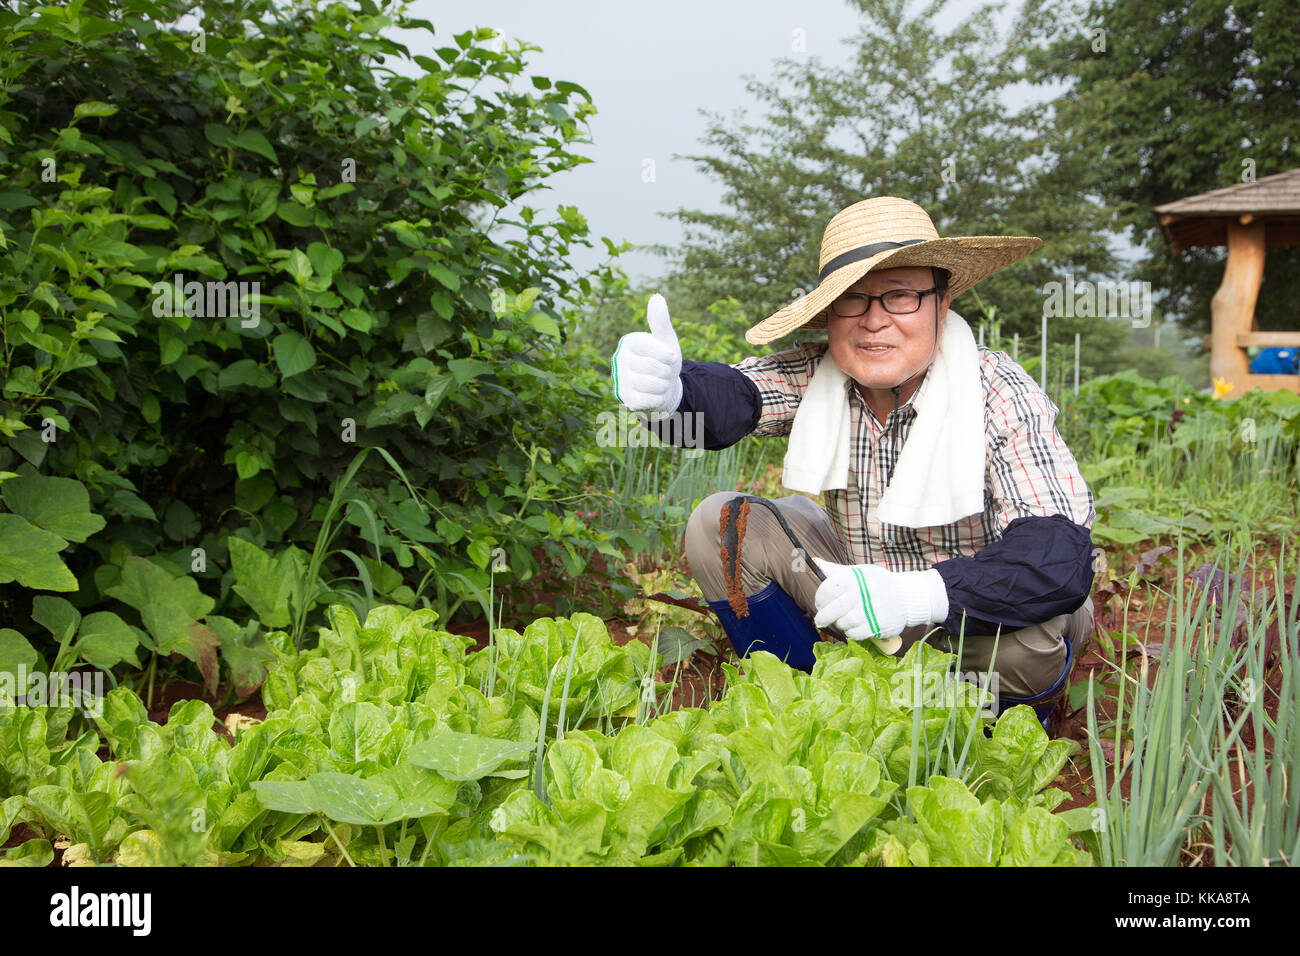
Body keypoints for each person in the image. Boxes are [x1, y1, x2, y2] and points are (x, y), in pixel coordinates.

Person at [609, 196, 1096, 730]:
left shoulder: (996, 390)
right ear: (829, 313)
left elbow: (1057, 554)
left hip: (971, 614)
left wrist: (918, 594)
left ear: (942, 299)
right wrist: (672, 394)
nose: (874, 321)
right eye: (853, 300)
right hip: (861, 594)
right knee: (720, 524)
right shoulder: (822, 377)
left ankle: (998, 736)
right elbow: (739, 398)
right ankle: (810, 706)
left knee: (1023, 647)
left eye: (901, 296)